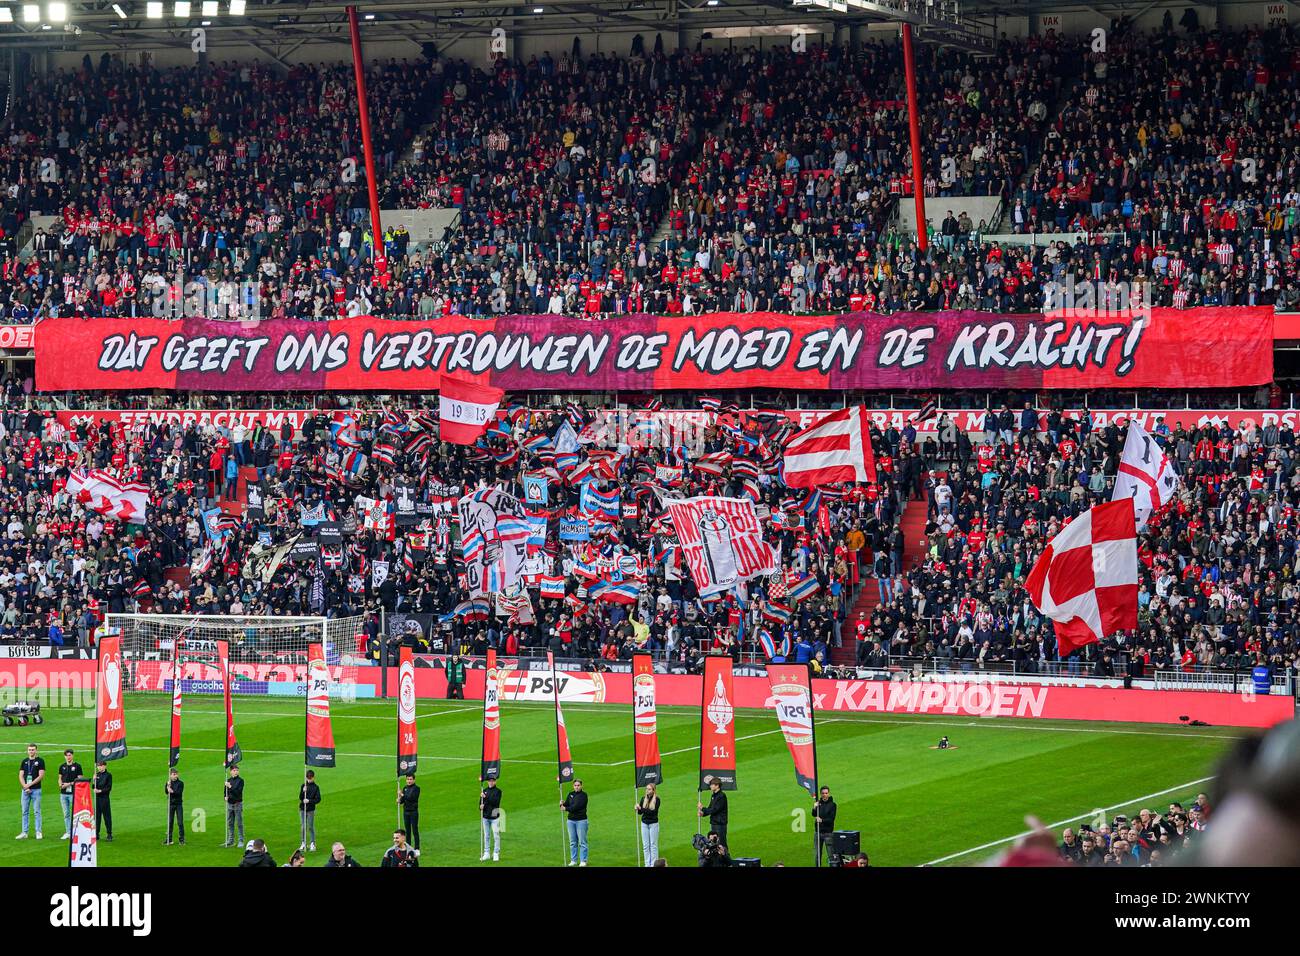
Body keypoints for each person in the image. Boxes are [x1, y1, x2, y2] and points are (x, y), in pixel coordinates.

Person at [17, 743, 44, 840]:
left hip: (36, 789)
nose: (31, 751)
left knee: (37, 811)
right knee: (24, 811)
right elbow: (20, 775)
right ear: (27, 751)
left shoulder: (40, 761)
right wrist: (25, 786)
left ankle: (38, 831)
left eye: (33, 749)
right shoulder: (24, 761)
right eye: (29, 749)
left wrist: (29, 785)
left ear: (36, 750)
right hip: (25, 790)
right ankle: (24, 832)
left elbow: (41, 776)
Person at [561, 778, 589, 866]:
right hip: (571, 821)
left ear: (581, 786)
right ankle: (573, 860)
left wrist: (565, 808)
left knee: (582, 842)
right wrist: (562, 803)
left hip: (581, 821)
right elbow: (567, 804)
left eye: (578, 785)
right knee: (573, 842)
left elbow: (576, 807)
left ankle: (583, 861)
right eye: (575, 785)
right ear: (573, 786)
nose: (576, 787)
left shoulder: (584, 795)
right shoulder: (571, 794)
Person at [57, 749, 83, 840]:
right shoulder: (62, 766)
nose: (68, 757)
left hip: (73, 793)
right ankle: (68, 832)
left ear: (72, 756)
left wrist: (69, 784)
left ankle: (77, 831)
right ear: (65, 756)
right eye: (67, 755)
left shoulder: (77, 766)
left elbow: (80, 780)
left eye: (70, 755)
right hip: (63, 794)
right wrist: (60, 784)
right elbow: (59, 777)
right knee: (66, 813)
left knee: (76, 813)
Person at [698, 778, 728, 849]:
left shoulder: (721, 796)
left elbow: (714, 810)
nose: (710, 786)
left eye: (712, 785)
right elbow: (710, 808)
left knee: (721, 843)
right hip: (714, 823)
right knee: (715, 844)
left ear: (717, 786)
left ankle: (726, 858)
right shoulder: (713, 795)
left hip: (720, 824)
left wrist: (702, 808)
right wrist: (703, 814)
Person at [635, 782, 660, 866]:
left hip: (653, 824)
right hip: (644, 824)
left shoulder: (657, 800)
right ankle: (647, 864)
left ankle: (653, 864)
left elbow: (652, 812)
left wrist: (641, 808)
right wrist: (637, 809)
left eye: (649, 789)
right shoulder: (643, 799)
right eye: (646, 789)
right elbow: (640, 813)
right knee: (645, 846)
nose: (647, 790)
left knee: (653, 845)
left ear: (653, 790)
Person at [480, 776, 502, 862]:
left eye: (493, 781)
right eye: (489, 781)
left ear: (495, 782)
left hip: (494, 817)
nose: (491, 782)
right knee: (486, 836)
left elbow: (495, 802)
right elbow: (481, 803)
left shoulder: (498, 791)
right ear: (488, 782)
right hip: (485, 817)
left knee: (496, 835)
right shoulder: (484, 791)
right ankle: (487, 853)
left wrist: (485, 797)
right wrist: (480, 806)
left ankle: (496, 853)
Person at [815, 785, 838, 865]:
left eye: (826, 793)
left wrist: (821, 820)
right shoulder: (818, 804)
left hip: (828, 833)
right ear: (820, 794)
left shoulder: (833, 805)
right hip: (818, 833)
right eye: (823, 793)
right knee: (817, 855)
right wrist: (814, 807)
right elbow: (814, 814)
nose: (824, 795)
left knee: (831, 855)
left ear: (828, 794)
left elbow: (831, 819)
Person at [299, 770, 322, 852]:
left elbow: (318, 799)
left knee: (310, 827)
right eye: (308, 778)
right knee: (303, 826)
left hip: (311, 809)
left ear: (313, 777)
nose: (309, 780)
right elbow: (301, 798)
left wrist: (309, 801)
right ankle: (303, 842)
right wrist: (303, 791)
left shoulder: (316, 787)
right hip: (302, 809)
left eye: (310, 778)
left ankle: (312, 843)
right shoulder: (303, 785)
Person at [223, 764, 245, 848]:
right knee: (230, 822)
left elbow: (238, 792)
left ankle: (241, 840)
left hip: (237, 804)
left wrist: (230, 786)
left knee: (239, 823)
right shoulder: (228, 780)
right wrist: (225, 796)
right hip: (230, 804)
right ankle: (230, 840)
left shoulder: (240, 781)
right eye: (234, 770)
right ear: (231, 771)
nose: (236, 772)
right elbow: (225, 790)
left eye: (237, 770)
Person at [397, 773, 420, 849]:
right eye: (407, 779)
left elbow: (412, 798)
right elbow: (404, 800)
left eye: (410, 779)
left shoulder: (416, 788)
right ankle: (408, 847)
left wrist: (402, 794)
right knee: (408, 831)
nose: (409, 781)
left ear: (414, 780)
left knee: (415, 830)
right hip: (406, 812)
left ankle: (417, 848)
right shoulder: (405, 788)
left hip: (413, 812)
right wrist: (399, 800)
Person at [164, 768, 185, 845]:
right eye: (174, 774)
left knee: (180, 822)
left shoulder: (180, 783)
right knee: (170, 822)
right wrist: (167, 787)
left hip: (178, 804)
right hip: (171, 804)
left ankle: (181, 839)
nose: (175, 776)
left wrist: (171, 790)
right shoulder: (168, 782)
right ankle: (169, 839)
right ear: (170, 775)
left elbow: (178, 793)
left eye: (176, 774)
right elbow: (166, 792)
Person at [92, 759, 112, 841]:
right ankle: (96, 833)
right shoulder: (96, 775)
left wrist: (100, 791)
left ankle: (109, 834)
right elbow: (93, 787)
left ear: (105, 766)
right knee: (97, 817)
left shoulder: (108, 775)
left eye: (101, 766)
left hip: (104, 798)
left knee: (107, 816)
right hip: (97, 799)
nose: (99, 767)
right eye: (98, 766)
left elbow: (109, 787)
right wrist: (93, 780)